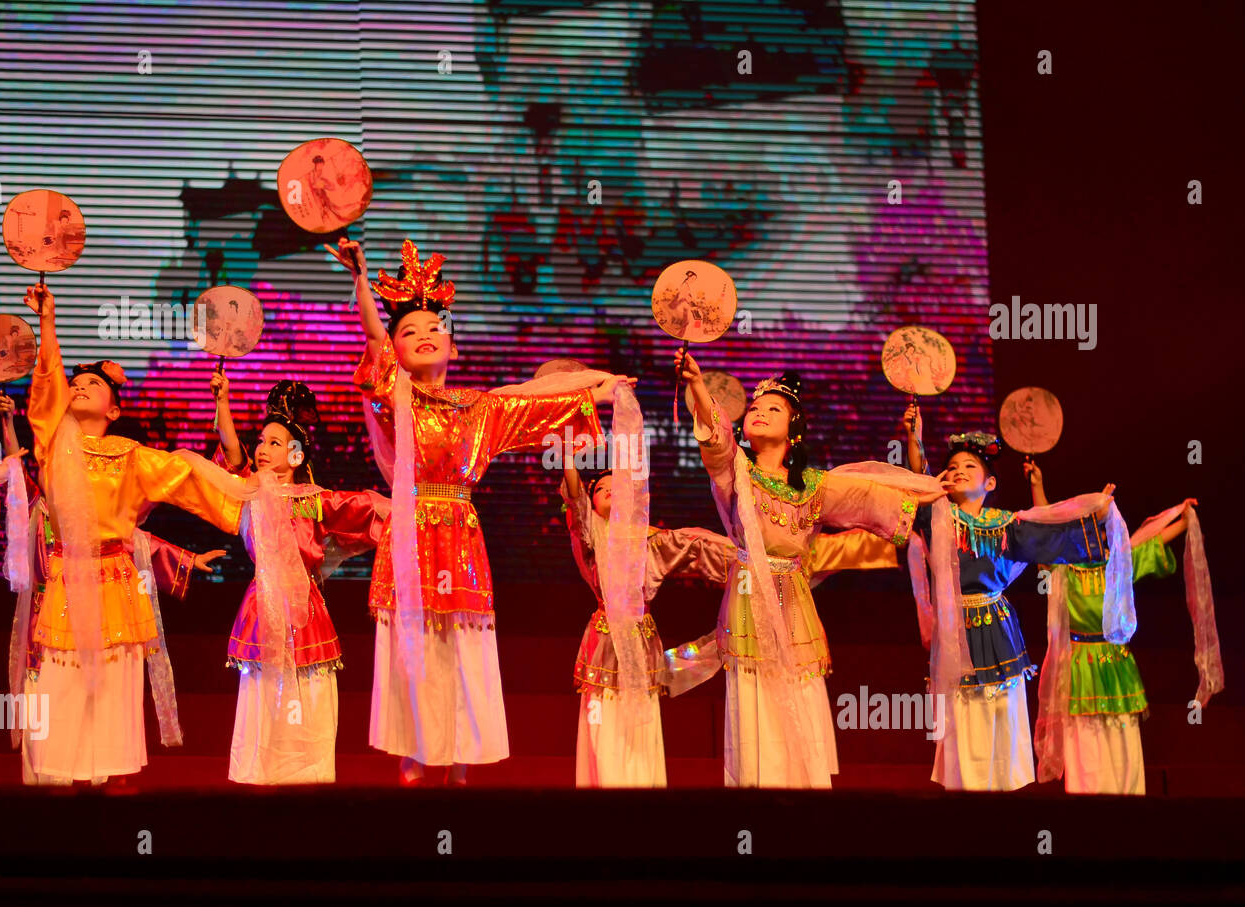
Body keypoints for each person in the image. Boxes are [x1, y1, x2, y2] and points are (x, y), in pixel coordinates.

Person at [333, 236, 633, 786]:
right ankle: (417, 749)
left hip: (461, 537)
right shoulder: (391, 397)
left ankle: (461, 755)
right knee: (413, 645)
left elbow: (539, 400)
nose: (423, 336)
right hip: (411, 536)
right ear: (395, 352)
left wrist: (605, 389)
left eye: (433, 328)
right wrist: (359, 280)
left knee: (462, 647)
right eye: (409, 332)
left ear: (452, 343)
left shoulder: (482, 408)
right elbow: (372, 340)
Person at [678, 349, 946, 787]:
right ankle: (756, 785)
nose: (760, 413)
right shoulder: (735, 471)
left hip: (794, 599)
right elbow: (716, 438)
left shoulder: (815, 487)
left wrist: (924, 491)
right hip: (749, 596)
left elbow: (867, 494)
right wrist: (696, 384)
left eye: (774, 409)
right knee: (755, 690)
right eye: (756, 408)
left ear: (794, 430)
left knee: (798, 688)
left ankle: (801, 788)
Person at [18, 284, 245, 786]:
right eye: (75, 384)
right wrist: (48, 323)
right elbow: (47, 390)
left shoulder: (130, 455)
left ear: (115, 410)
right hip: (66, 577)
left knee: (112, 683)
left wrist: (241, 501)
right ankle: (61, 778)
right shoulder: (54, 447)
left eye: (92, 386)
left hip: (114, 578)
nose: (78, 387)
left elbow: (186, 479)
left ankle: (106, 779)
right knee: (64, 676)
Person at [903, 403, 1117, 791]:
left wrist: (1092, 512)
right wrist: (914, 438)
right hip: (956, 630)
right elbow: (917, 481)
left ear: (990, 484)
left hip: (997, 627)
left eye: (970, 467)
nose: (957, 471)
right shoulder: (936, 517)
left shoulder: (1006, 525)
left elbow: (1049, 529)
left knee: (1001, 709)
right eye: (952, 467)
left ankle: (1000, 793)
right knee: (963, 714)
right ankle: (964, 789)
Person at [211, 371, 388, 784]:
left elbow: (358, 508)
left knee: (308, 693)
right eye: (260, 442)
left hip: (305, 610)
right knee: (261, 694)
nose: (262, 449)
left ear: (297, 455)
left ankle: (308, 774)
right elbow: (231, 457)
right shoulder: (251, 495)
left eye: (275, 443)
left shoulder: (311, 501)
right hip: (262, 605)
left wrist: (403, 510)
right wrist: (224, 402)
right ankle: (259, 774)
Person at [1026, 458, 1215, 794]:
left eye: (1101, 527)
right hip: (1080, 661)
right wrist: (1037, 486)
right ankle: (1088, 796)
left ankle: (1127, 797)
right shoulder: (1062, 569)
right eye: (1087, 527)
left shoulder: (1119, 564)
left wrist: (1183, 519)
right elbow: (1044, 528)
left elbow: (1150, 544)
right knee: (1084, 734)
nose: (1094, 535)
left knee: (1120, 731)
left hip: (1115, 661)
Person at [560, 459, 732, 787]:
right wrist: (568, 456)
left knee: (642, 721)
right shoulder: (591, 539)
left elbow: (693, 543)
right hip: (606, 640)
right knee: (605, 720)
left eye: (617, 487)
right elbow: (574, 498)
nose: (609, 490)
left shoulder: (649, 545)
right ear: (593, 504)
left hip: (643, 639)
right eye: (600, 489)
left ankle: (640, 791)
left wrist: (747, 557)